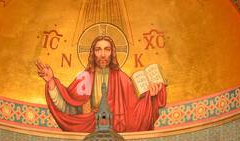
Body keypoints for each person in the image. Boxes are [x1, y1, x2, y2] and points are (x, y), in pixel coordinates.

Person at [36, 34, 166, 134]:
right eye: (98, 50)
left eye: (107, 49)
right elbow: (68, 107)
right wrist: (51, 81)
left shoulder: (122, 78)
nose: (103, 54)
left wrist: (152, 96)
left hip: (115, 129)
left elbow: (134, 112)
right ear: (93, 53)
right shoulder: (84, 78)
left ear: (112, 52)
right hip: (89, 128)